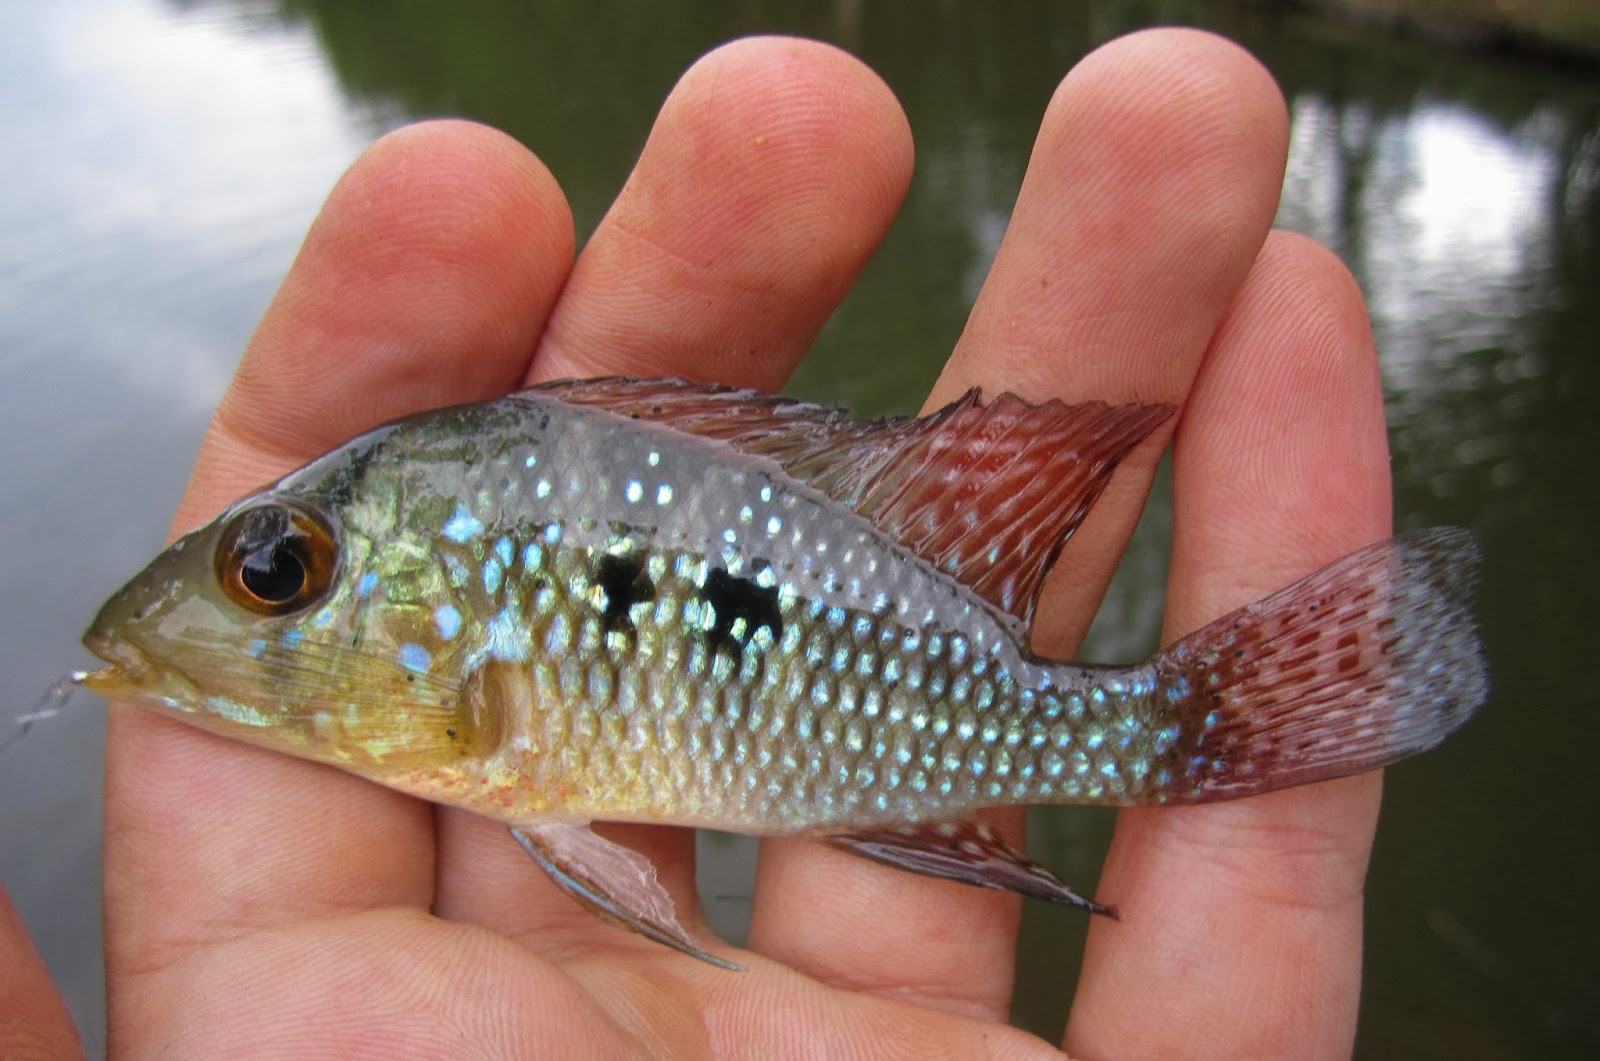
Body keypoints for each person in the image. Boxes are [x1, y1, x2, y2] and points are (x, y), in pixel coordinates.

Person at [3, 28, 1392, 1056]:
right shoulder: (439, 680)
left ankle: (1188, 727)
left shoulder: (469, 704)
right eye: (273, 571)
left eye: (279, 570)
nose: (251, 590)